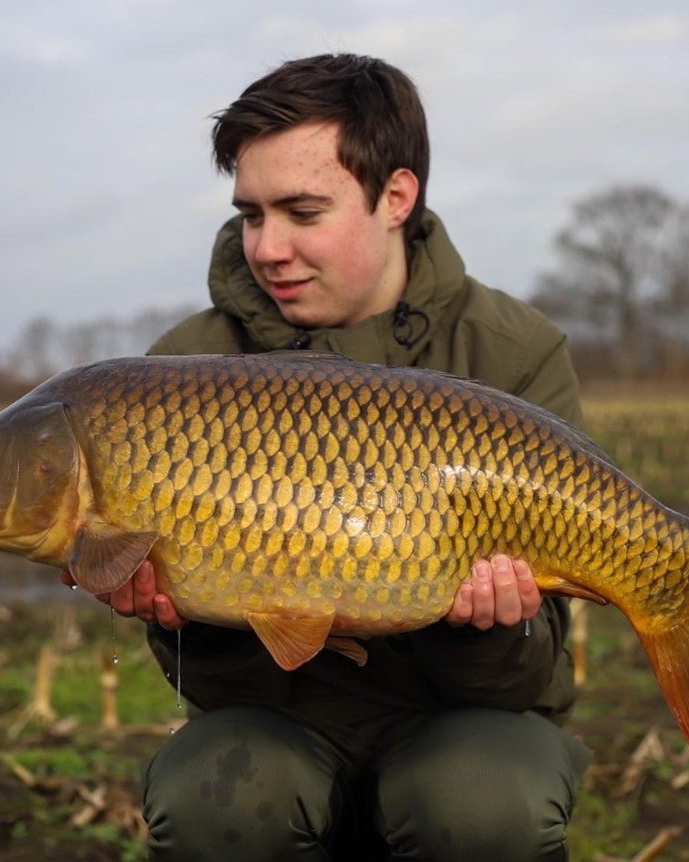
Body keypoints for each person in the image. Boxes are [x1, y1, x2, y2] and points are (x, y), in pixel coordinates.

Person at [82, 53, 592, 860]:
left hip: (465, 719)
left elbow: (531, 680)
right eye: (250, 215)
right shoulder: (183, 369)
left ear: (395, 197)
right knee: (214, 799)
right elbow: (208, 690)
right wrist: (195, 621)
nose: (268, 248)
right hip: (276, 719)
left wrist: (481, 627)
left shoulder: (512, 352)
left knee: (485, 806)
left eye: (302, 212)